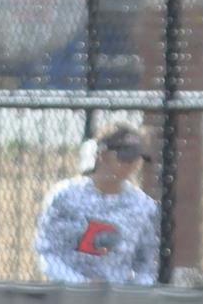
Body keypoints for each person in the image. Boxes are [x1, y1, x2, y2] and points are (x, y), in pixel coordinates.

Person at [33, 120, 160, 286]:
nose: (133, 162)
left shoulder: (144, 206)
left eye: (138, 155)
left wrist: (133, 291)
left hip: (117, 300)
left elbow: (148, 263)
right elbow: (47, 251)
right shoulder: (66, 196)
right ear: (103, 154)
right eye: (126, 154)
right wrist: (80, 283)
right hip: (67, 295)